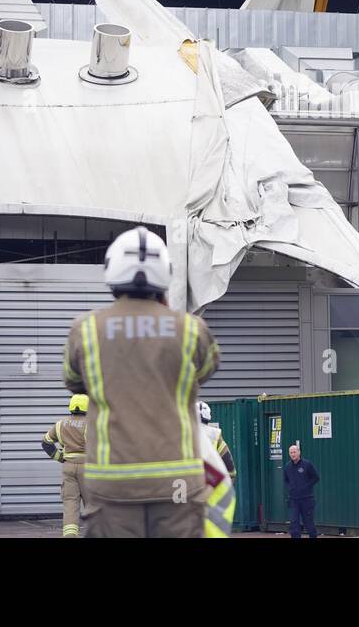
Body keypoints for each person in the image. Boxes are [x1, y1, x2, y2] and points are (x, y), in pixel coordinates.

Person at [64, 225, 220, 538]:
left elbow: (75, 381)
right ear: (165, 275)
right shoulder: (191, 329)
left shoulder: (86, 330)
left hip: (113, 483)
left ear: (112, 272)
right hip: (178, 481)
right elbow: (205, 371)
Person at [41, 393, 88, 537]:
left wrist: (60, 458)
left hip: (68, 468)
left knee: (70, 503)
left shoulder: (60, 424)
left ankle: (70, 535)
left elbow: (46, 442)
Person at [282, 444, 320, 539]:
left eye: (294, 452)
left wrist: (306, 487)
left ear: (299, 452)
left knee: (308, 523)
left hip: (306, 499)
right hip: (293, 499)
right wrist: (291, 488)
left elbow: (316, 478)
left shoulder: (307, 464)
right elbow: (286, 480)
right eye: (291, 452)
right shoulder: (287, 466)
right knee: (294, 522)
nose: (293, 454)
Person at [199, 401, 237, 483]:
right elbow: (228, 463)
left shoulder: (180, 434)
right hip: (209, 483)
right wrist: (231, 477)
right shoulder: (214, 434)